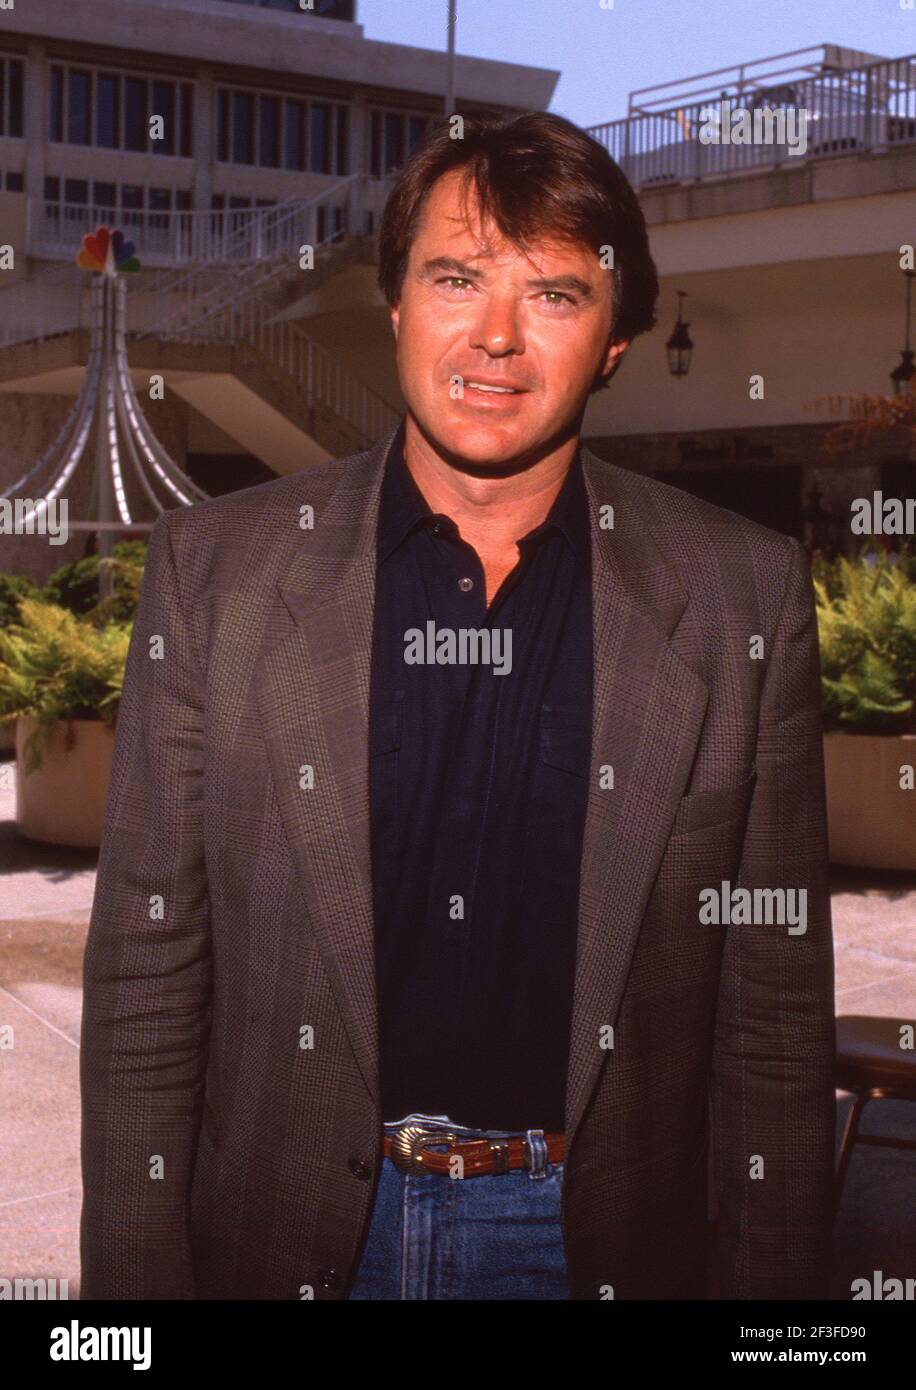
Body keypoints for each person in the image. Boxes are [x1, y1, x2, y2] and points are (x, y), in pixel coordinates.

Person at [79, 110, 835, 1301]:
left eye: (554, 293)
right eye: (456, 276)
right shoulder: (214, 573)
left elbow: (774, 1025)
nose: (494, 336)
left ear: (618, 339)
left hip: (599, 1240)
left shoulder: (742, 593)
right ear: (394, 304)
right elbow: (145, 986)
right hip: (278, 1233)